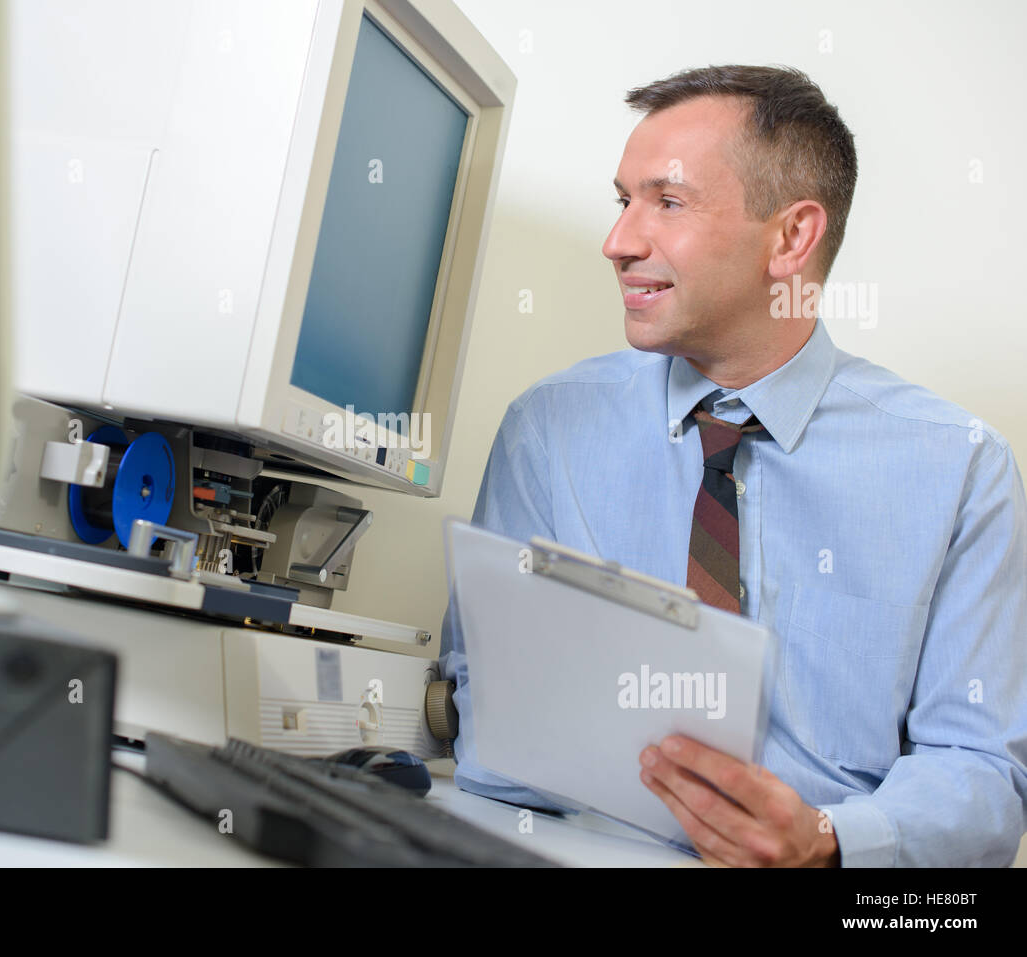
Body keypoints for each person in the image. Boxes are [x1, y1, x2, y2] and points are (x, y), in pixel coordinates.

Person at [439, 65, 1027, 867]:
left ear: (791, 238)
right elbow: (480, 684)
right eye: (624, 200)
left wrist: (825, 841)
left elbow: (987, 772)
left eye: (667, 202)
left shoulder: (961, 470)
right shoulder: (548, 428)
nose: (619, 241)